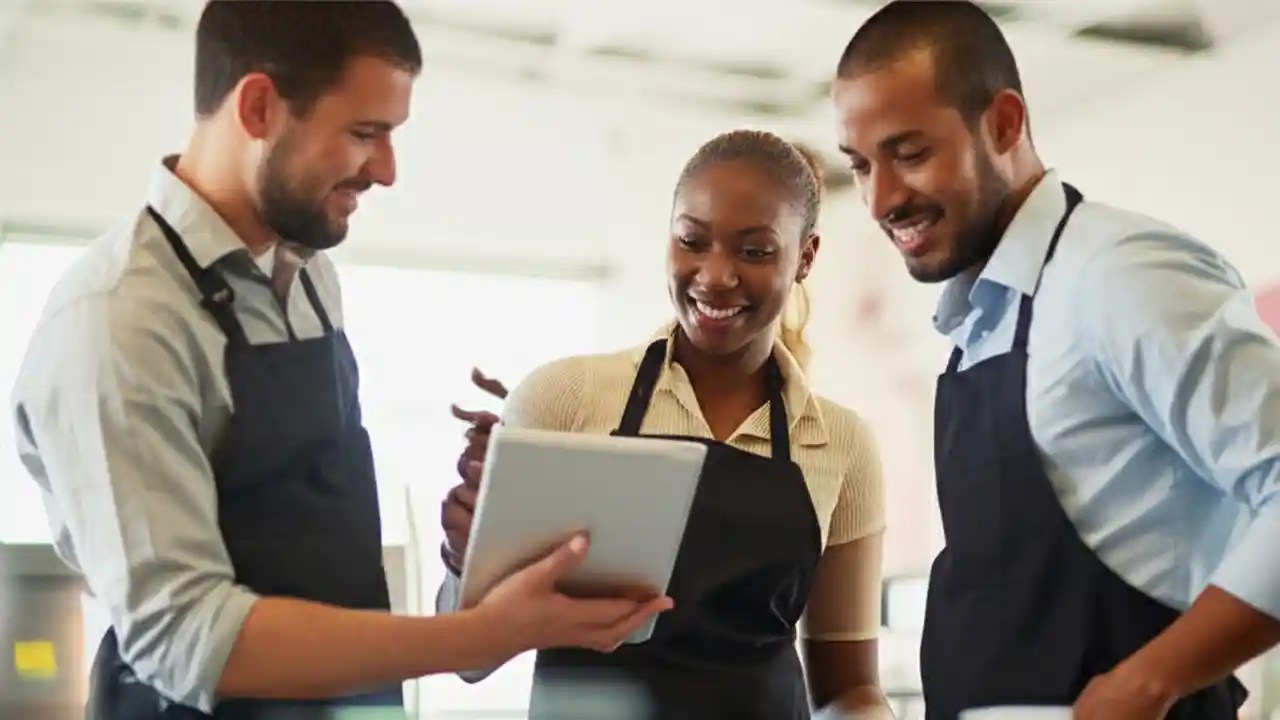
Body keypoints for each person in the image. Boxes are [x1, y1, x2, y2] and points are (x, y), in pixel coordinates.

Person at [8, 3, 668, 718]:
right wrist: (475, 635)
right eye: (364, 133)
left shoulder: (309, 275)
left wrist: (481, 543)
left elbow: (310, 541)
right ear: (259, 106)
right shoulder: (120, 319)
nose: (385, 170)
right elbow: (186, 635)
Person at [829, 2, 1280, 719]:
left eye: (909, 154)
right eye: (860, 166)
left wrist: (1152, 679)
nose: (881, 198)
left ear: (1005, 124)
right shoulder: (978, 321)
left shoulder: (1118, 274)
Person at [438, 129, 894, 720]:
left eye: (754, 251)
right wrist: (459, 557)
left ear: (804, 257)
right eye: (692, 241)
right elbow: (468, 658)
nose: (715, 275)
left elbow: (849, 688)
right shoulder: (563, 402)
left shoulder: (842, 443)